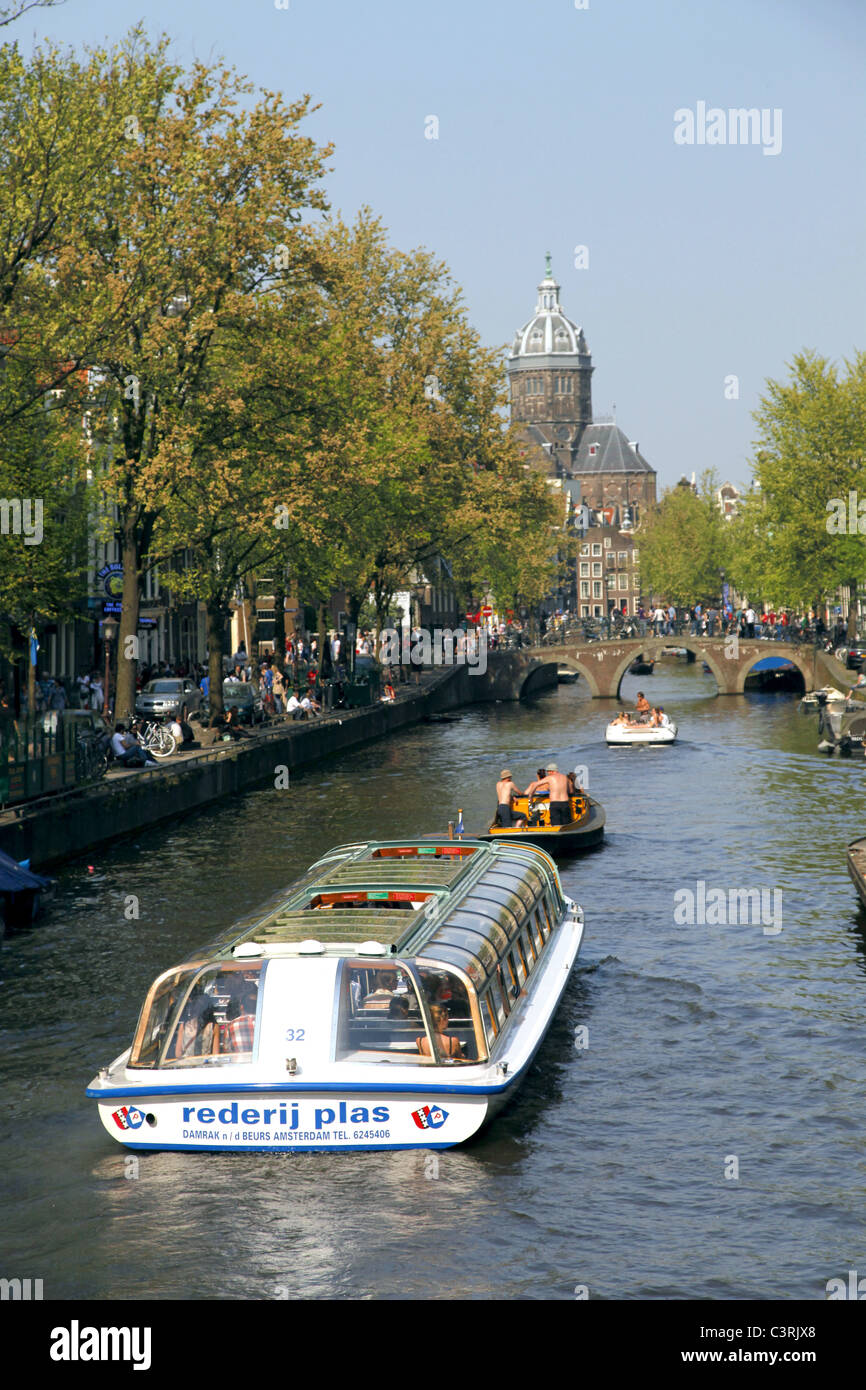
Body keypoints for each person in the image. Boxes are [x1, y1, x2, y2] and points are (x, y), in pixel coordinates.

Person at [220, 988, 258, 1052]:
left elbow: (227, 1051)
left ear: (241, 1007)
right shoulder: (265, 1023)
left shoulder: (230, 1026)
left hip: (239, 1061)